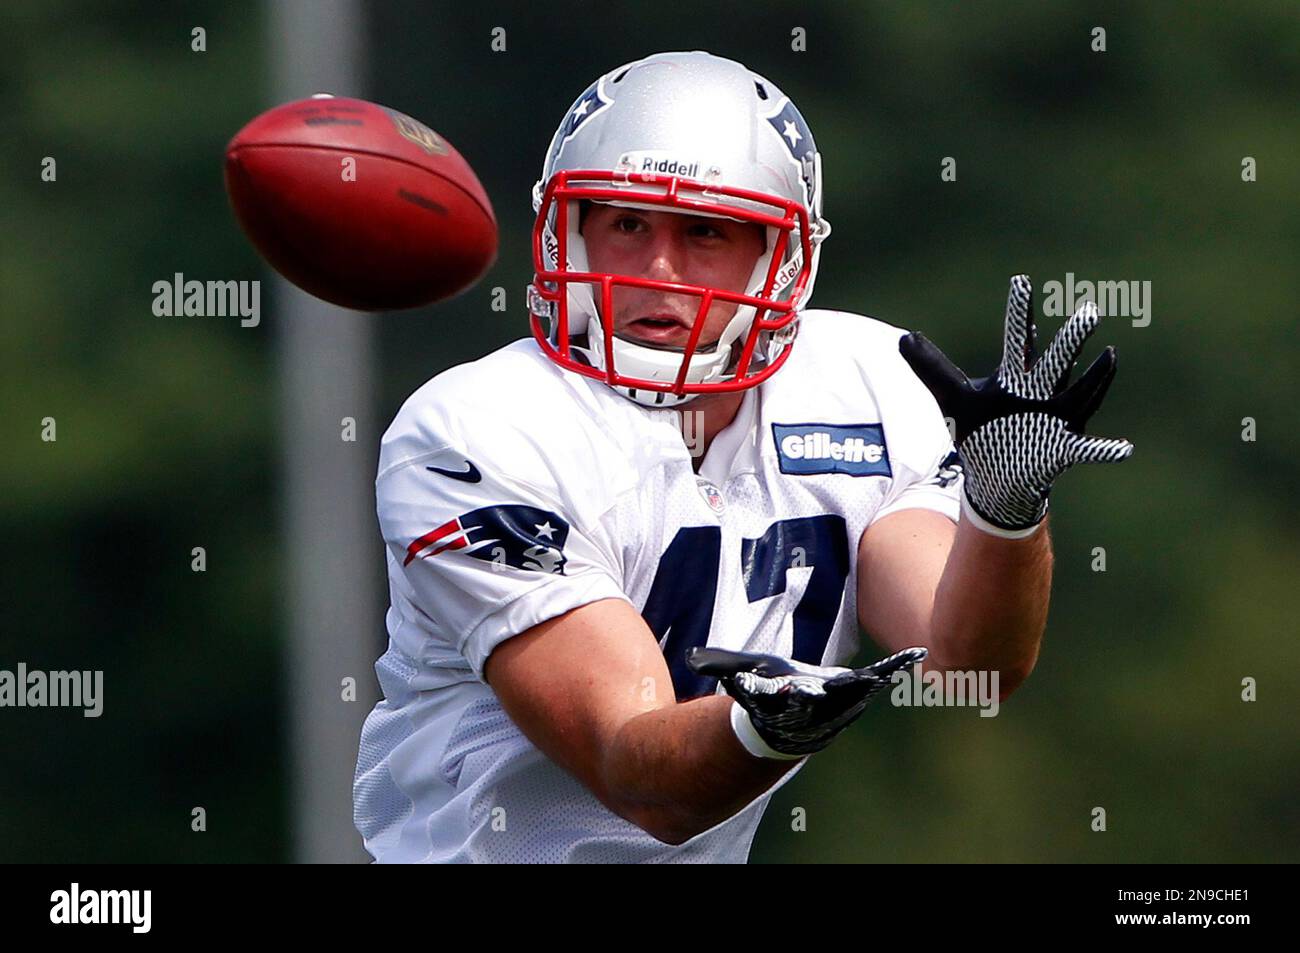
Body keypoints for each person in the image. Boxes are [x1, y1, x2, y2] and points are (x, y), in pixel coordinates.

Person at [352, 50, 1132, 863]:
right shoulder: (476, 429)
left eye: (705, 232)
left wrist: (1003, 517)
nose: (658, 269)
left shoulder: (866, 381)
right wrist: (757, 726)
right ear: (568, 233)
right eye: (626, 223)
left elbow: (969, 663)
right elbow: (639, 772)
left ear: (783, 259)